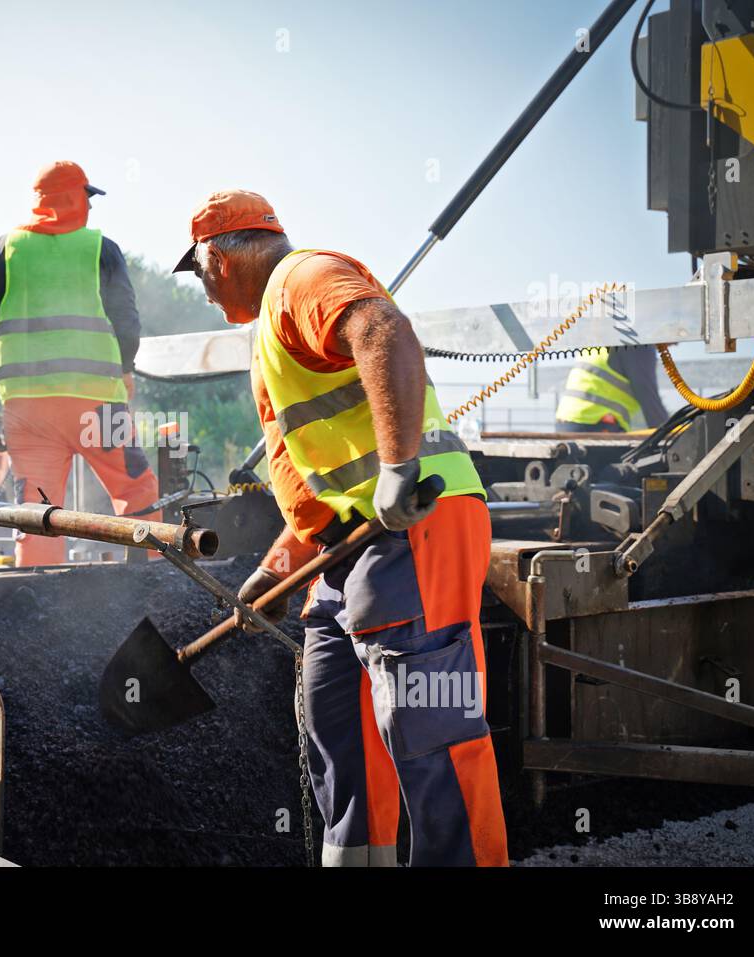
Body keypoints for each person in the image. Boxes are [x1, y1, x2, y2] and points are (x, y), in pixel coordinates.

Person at [174, 189, 508, 867]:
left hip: (412, 527)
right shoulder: (271, 327)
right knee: (339, 724)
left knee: (432, 729)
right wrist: (274, 568)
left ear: (220, 256)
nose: (203, 290)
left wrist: (397, 467)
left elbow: (381, 330)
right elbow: (317, 486)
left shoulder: (301, 277)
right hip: (347, 551)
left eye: (199, 271)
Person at [0, 160, 160, 566]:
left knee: (37, 510)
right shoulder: (101, 248)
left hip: (28, 409)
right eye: (87, 197)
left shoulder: (5, 249)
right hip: (98, 401)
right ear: (75, 199)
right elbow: (128, 322)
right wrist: (125, 370)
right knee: (136, 492)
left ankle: (38, 599)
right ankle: (150, 579)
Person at [555, 345, 667, 432]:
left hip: (567, 421)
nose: (676, 343)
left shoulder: (606, 337)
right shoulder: (638, 345)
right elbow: (648, 397)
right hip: (596, 422)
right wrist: (671, 433)